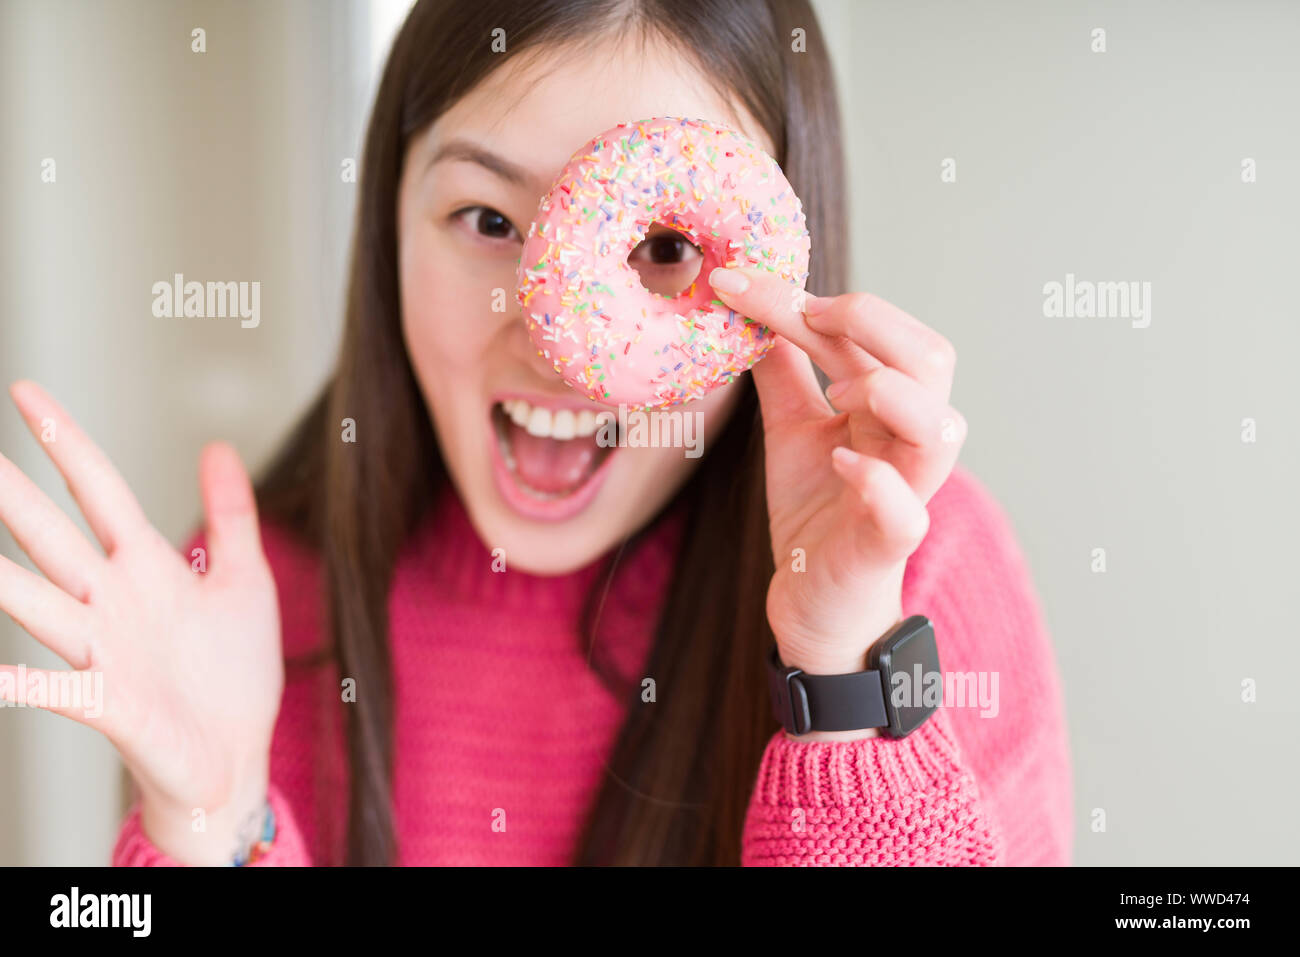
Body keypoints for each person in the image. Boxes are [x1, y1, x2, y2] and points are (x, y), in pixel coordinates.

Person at [0, 0, 1071, 866]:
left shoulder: (909, 570)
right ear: (386, 228)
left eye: (662, 248)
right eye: (490, 222)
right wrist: (214, 826)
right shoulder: (251, 598)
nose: (560, 344)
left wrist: (838, 673)